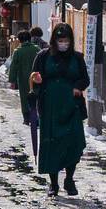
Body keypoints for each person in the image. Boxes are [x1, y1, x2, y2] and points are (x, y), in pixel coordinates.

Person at [30, 22, 90, 197]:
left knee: (73, 144)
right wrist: (37, 81)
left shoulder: (77, 58)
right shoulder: (42, 56)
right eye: (60, 40)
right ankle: (53, 183)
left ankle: (69, 179)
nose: (63, 43)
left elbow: (85, 79)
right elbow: (33, 78)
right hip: (50, 108)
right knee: (52, 145)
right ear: (54, 41)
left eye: (66, 40)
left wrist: (78, 87)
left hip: (72, 107)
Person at [7, 29, 43, 124]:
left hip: (23, 79)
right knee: (37, 97)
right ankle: (36, 116)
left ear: (19, 40)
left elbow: (13, 67)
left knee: (24, 98)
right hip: (36, 78)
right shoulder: (37, 49)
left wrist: (12, 81)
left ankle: (26, 118)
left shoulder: (18, 51)